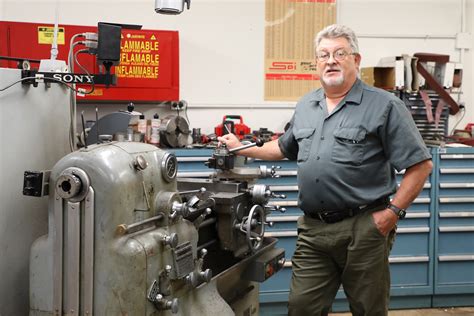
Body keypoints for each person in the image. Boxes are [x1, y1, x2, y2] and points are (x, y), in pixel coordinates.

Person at [218, 24, 433, 315]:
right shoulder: (308, 104)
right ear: (316, 64)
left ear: (355, 60)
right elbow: (282, 147)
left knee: (368, 309)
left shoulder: (384, 105)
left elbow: (421, 165)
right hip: (313, 230)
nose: (330, 60)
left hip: (364, 227)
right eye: (323, 55)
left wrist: (391, 215)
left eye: (339, 53)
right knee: (302, 307)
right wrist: (239, 146)